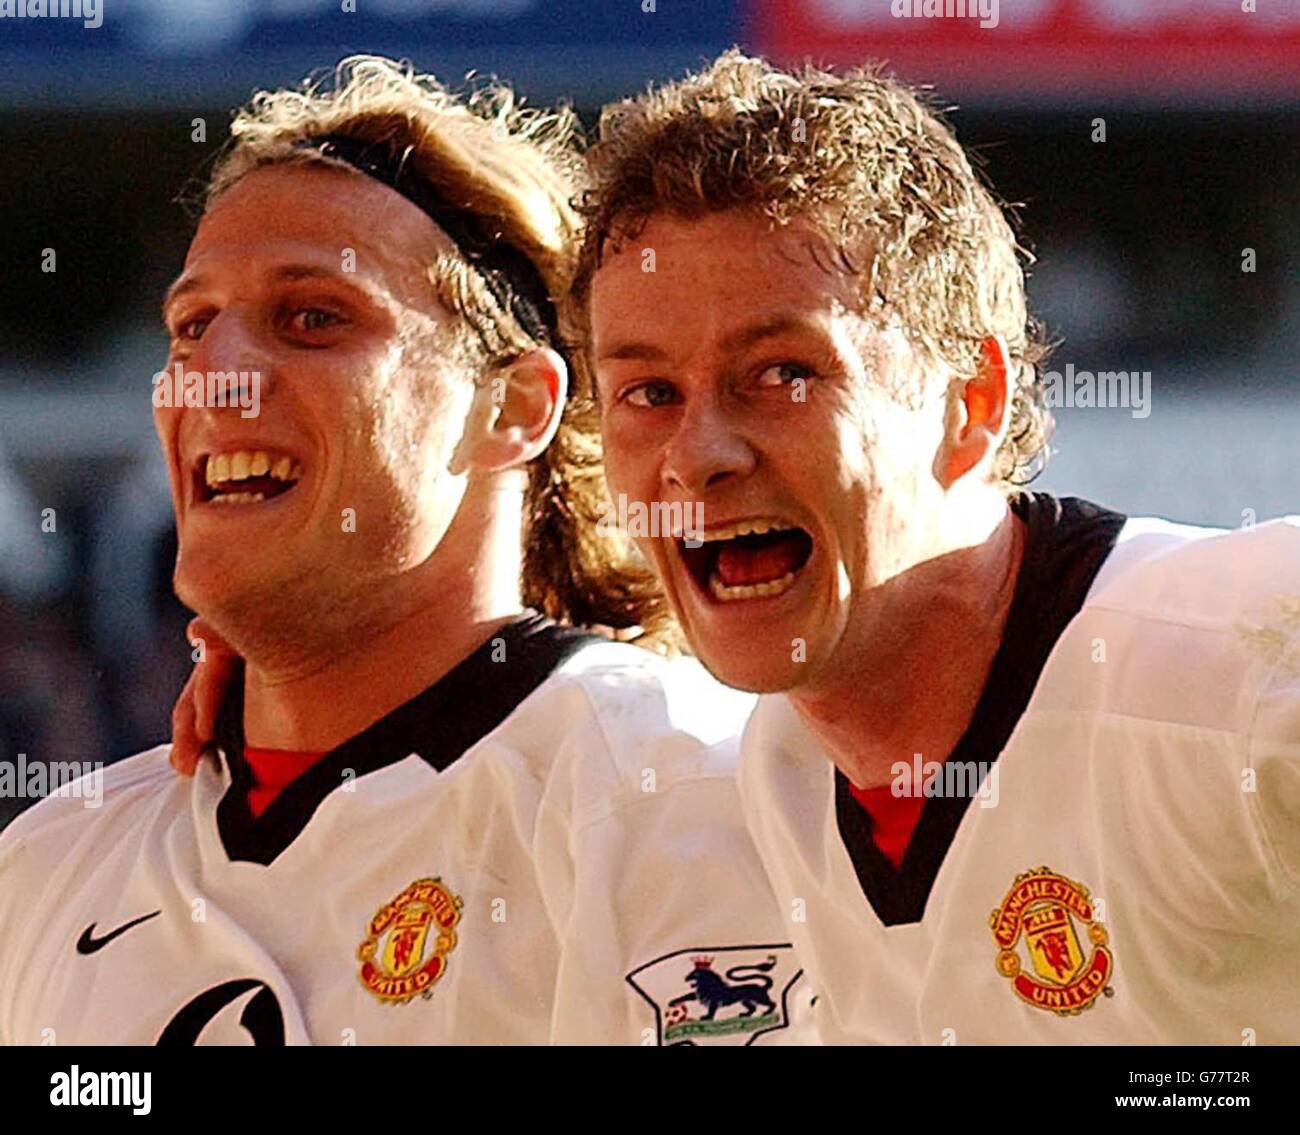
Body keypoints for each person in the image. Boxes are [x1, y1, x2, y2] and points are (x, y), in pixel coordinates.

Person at [0, 56, 810, 1047]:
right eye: (191, 326)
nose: (214, 376)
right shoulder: (48, 863)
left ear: (515, 406)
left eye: (312, 317)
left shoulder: (680, 798)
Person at [570, 49, 1300, 1044]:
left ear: (972, 404)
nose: (695, 455)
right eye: (648, 393)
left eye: (780, 372)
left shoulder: (1231, 662)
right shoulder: (780, 770)